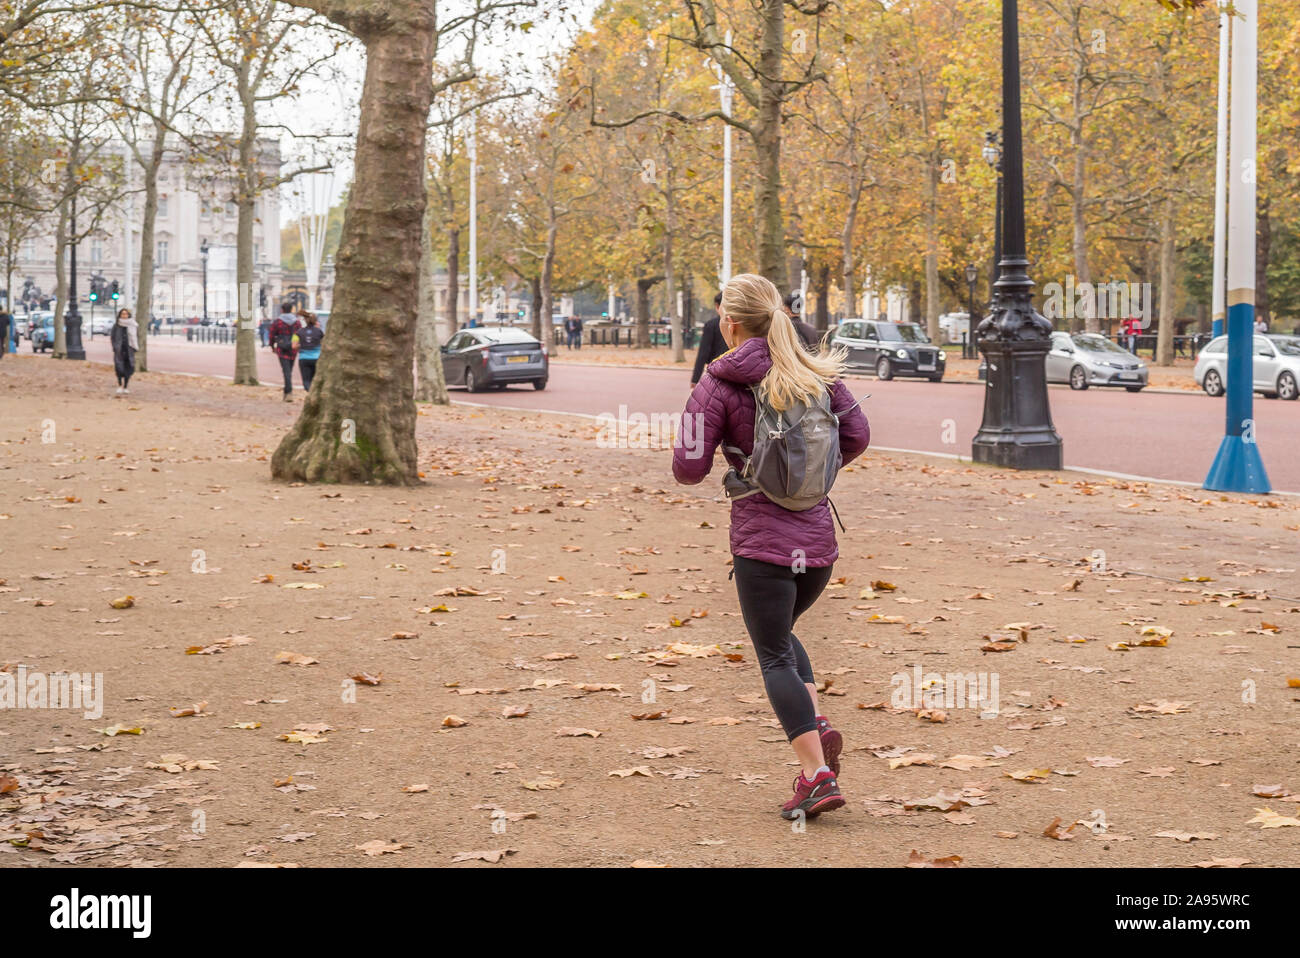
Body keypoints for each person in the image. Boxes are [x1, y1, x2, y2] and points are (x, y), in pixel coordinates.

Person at [673, 273, 870, 821]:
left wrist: (737, 461)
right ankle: (818, 724)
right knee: (780, 635)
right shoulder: (816, 372)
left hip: (761, 545)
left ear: (729, 322)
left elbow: (687, 468)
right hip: (818, 547)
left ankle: (815, 776)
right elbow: (858, 435)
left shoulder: (717, 383)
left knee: (773, 654)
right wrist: (809, 477)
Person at [690, 292, 729, 388]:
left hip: (716, 371)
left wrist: (695, 379)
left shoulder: (711, 325)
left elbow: (703, 353)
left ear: (717, 305)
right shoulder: (740, 324)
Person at [270, 302, 301, 401]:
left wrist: (272, 346)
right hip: (293, 348)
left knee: (286, 370)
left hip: (281, 348)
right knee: (289, 370)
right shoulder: (297, 322)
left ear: (282, 310)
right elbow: (300, 334)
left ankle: (288, 392)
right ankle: (287, 392)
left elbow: (272, 335)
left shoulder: (277, 322)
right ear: (292, 309)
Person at [110, 308, 139, 395]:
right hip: (119, 350)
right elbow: (113, 337)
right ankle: (119, 385)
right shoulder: (116, 325)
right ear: (120, 315)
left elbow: (136, 336)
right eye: (122, 314)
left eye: (126, 314)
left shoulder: (133, 325)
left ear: (128, 315)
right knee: (119, 368)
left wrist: (134, 347)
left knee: (129, 368)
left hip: (129, 349)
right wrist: (115, 347)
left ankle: (126, 386)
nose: (124, 315)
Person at [295, 310, 324, 393]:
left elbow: (294, 346)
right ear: (315, 321)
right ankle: (314, 395)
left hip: (304, 359)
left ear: (305, 321)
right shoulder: (320, 332)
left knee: (306, 381)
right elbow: (324, 344)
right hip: (317, 359)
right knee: (315, 380)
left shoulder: (298, 332)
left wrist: (302, 346)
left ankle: (310, 393)